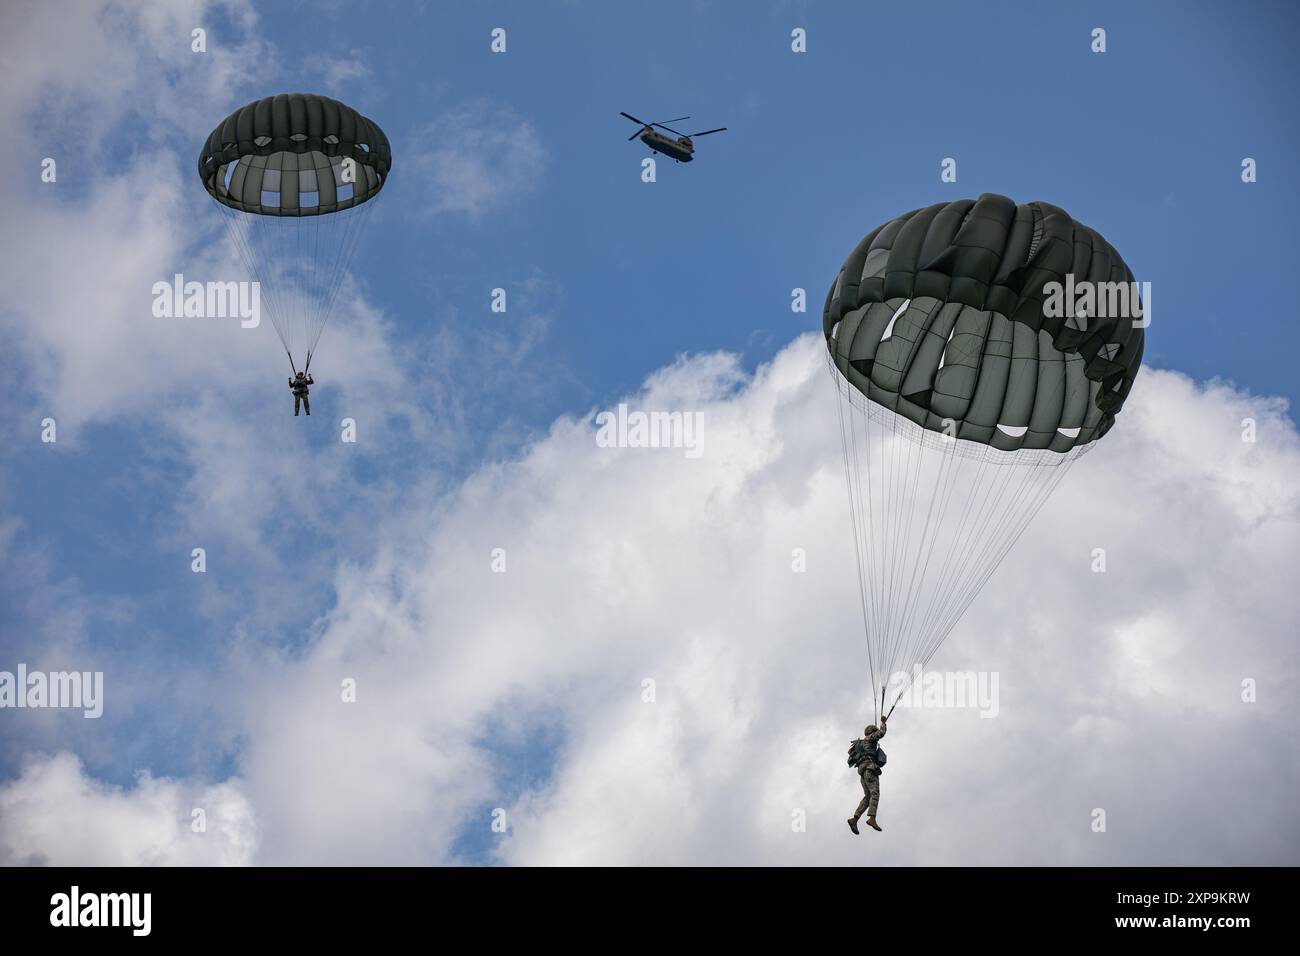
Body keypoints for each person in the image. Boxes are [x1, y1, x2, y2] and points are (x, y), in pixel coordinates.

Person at [847, 713, 887, 834]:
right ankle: (872, 818)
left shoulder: (861, 742)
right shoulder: (871, 738)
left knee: (867, 796)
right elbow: (881, 733)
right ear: (872, 732)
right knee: (875, 793)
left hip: (863, 772)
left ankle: (855, 819)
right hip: (870, 769)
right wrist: (883, 723)